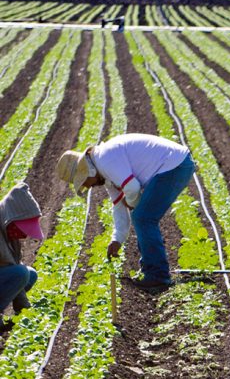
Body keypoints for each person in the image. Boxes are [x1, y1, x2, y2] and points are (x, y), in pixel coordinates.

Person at [56, 134, 196, 291]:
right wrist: (117, 239)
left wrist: (132, 203)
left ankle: (158, 276)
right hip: (174, 164)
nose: (87, 186)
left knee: (143, 218)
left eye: (84, 182)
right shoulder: (104, 171)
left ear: (87, 171)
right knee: (142, 217)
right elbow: (118, 205)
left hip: (174, 165)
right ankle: (151, 271)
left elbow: (132, 188)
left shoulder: (106, 160)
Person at [0, 183, 44, 332]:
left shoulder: (8, 234)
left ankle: (18, 311)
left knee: (29, 274)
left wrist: (24, 310)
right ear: (11, 222)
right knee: (20, 273)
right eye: (22, 229)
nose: (25, 235)